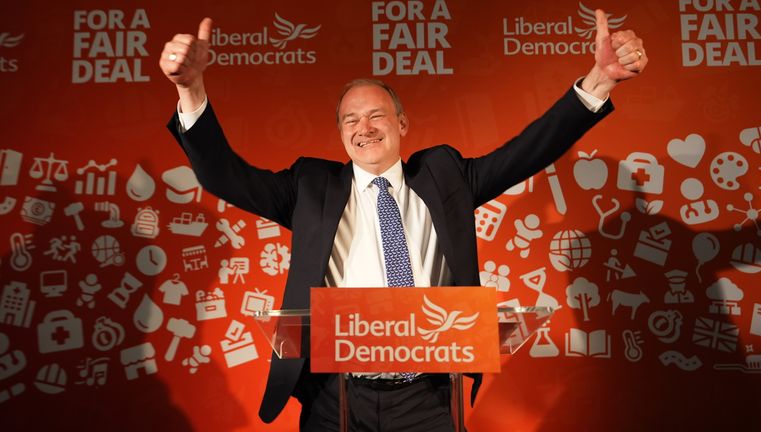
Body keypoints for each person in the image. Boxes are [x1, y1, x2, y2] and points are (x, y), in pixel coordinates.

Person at [160, 9, 648, 432]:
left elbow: (527, 151)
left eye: (376, 116)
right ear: (340, 134)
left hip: (427, 395)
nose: (364, 128)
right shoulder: (310, 186)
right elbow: (225, 177)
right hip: (333, 395)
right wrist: (191, 89)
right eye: (351, 121)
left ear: (401, 124)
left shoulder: (444, 175)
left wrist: (599, 82)